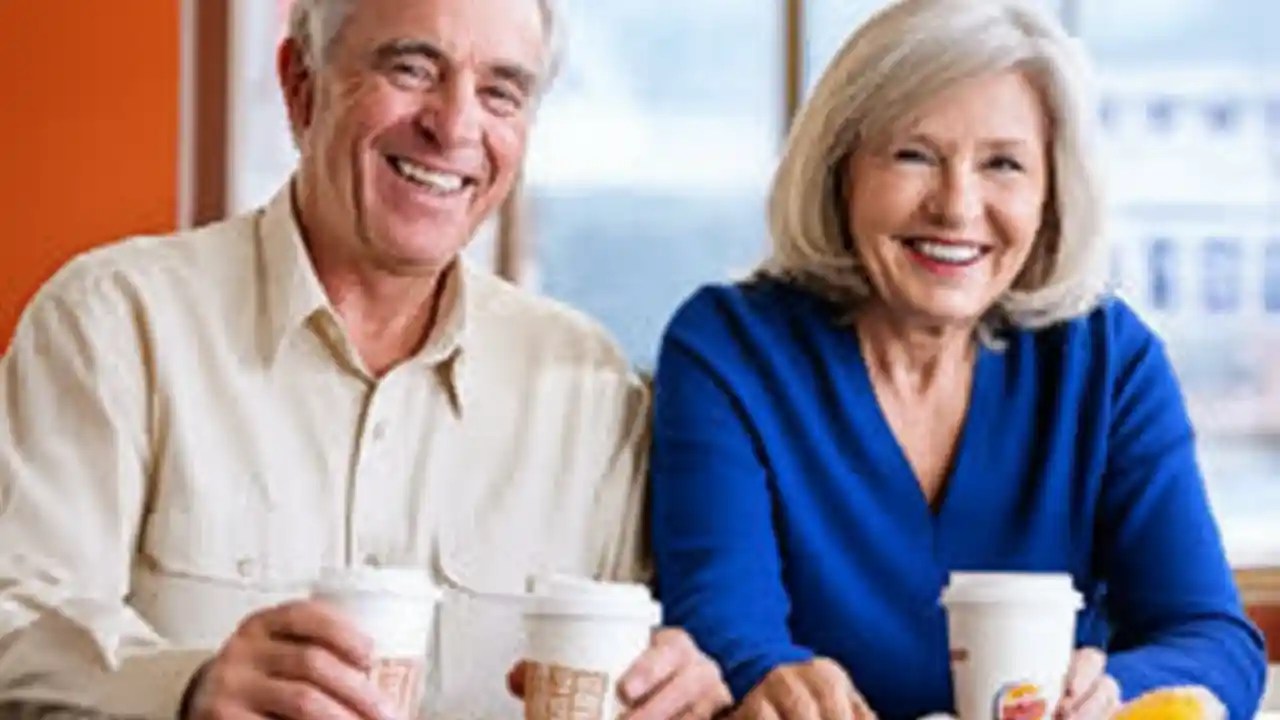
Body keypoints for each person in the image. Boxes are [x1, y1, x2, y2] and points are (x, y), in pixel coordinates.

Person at [0, 0, 732, 718]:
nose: (454, 125)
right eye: (411, 69)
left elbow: (643, 661)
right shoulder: (116, 323)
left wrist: (681, 688)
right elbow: (16, 631)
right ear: (300, 85)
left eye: (501, 93)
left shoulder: (589, 386)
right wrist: (187, 689)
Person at [647, 1, 1267, 719]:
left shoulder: (1107, 360)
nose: (956, 205)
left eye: (1003, 164)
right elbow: (727, 632)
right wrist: (771, 681)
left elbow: (1212, 637)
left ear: (1050, 197)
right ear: (841, 170)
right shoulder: (730, 349)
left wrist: (1114, 690)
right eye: (914, 154)